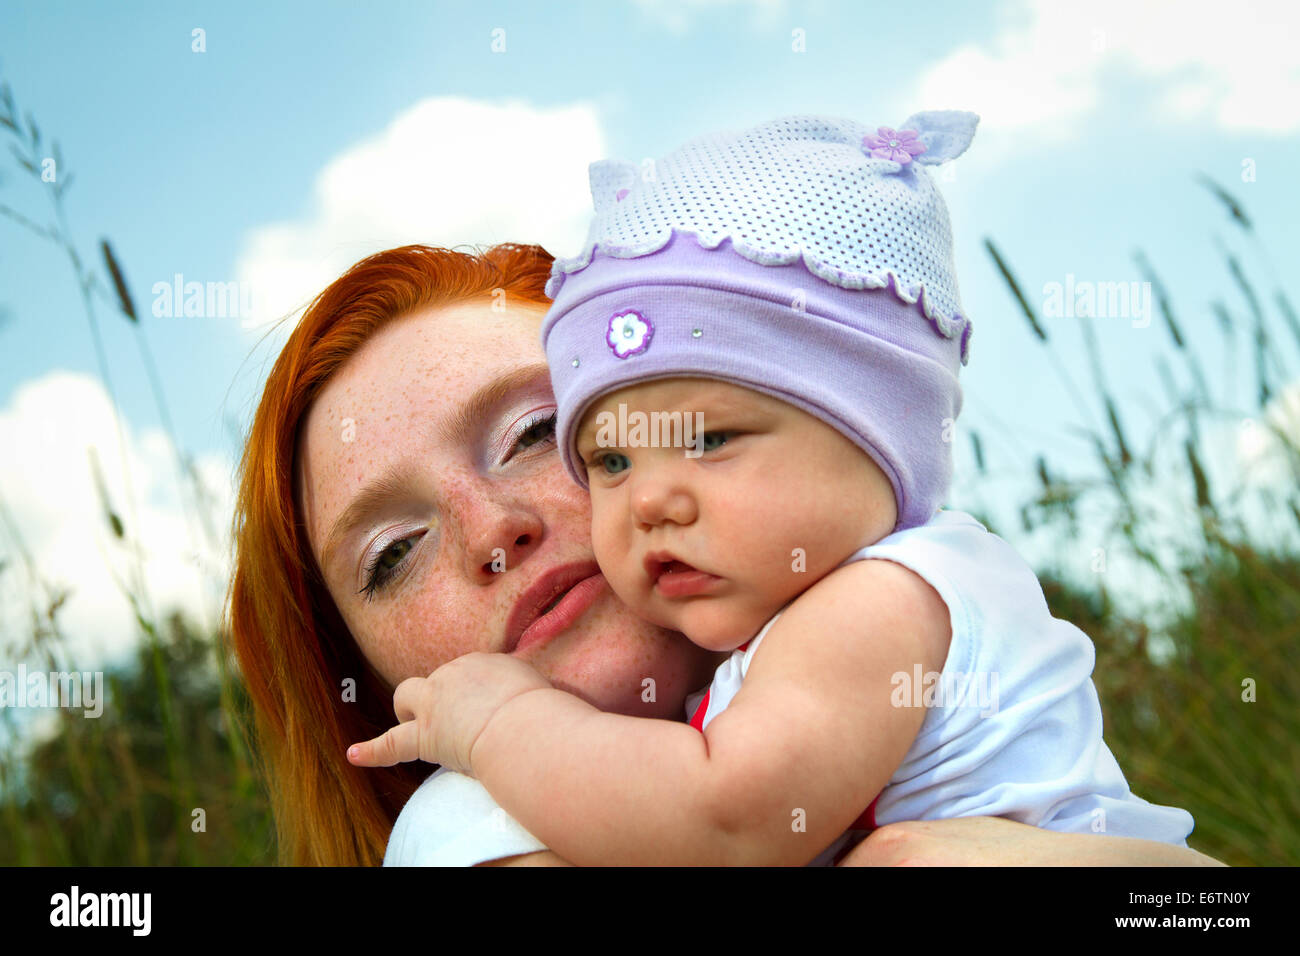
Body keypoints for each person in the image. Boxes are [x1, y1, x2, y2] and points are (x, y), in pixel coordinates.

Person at [346, 113, 1197, 866]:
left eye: (709, 439)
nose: (648, 502)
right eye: (608, 461)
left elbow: (727, 822)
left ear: (874, 436)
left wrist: (501, 726)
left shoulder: (885, 602)